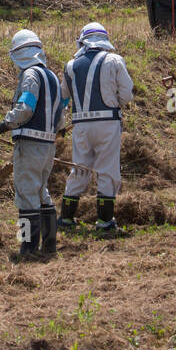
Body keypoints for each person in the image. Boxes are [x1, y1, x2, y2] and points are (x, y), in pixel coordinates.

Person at [0, 28, 62, 263]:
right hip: (48, 144)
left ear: (20, 54)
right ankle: (49, 244)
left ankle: (27, 247)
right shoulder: (52, 77)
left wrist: (1, 127)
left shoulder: (30, 76)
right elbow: (61, 113)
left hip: (30, 144)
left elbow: (26, 108)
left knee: (26, 195)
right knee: (42, 192)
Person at [59, 21, 134, 238]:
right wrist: (115, 102)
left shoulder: (70, 65)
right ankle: (104, 222)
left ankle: (65, 218)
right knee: (107, 169)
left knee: (79, 168)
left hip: (80, 125)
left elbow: (64, 95)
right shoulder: (114, 60)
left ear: (83, 41)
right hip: (107, 122)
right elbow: (127, 94)